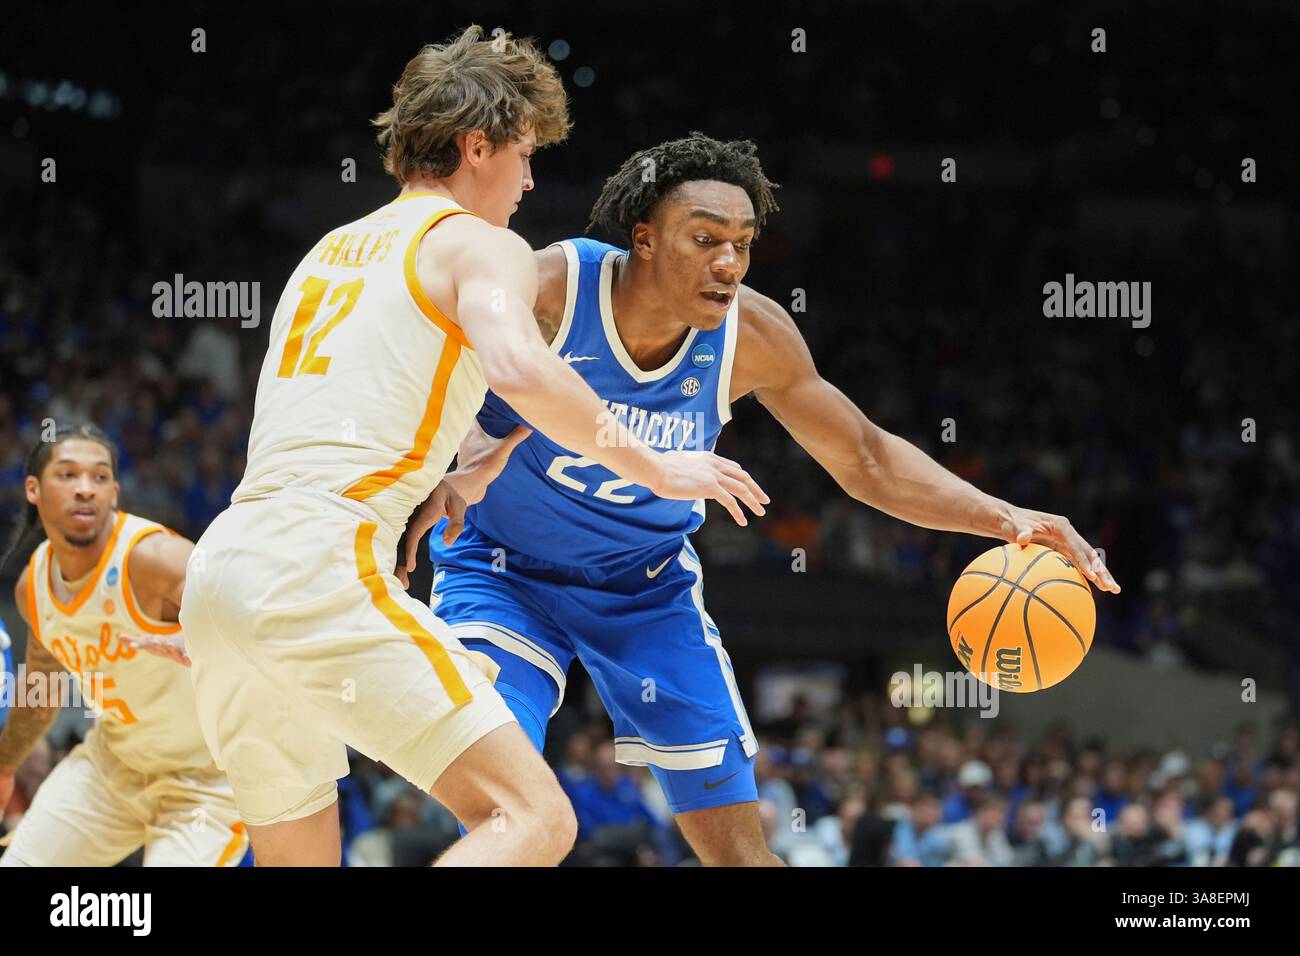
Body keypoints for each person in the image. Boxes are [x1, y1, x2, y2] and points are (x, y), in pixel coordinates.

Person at [418, 132, 1120, 866]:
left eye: (744, 244)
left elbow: (868, 457)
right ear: (645, 238)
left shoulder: (751, 335)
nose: (728, 263)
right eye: (705, 239)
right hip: (502, 571)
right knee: (511, 813)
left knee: (743, 859)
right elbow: (443, 411)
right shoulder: (549, 293)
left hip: (645, 586)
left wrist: (1004, 517)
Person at [179, 28, 765, 867]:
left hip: (227, 567)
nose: (529, 181)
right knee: (533, 821)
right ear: (475, 144)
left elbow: (372, 402)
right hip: (319, 567)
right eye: (523, 155)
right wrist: (656, 463)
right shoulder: (481, 244)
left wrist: (464, 473)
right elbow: (522, 366)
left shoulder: (327, 254)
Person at [0, 425, 247, 866]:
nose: (84, 490)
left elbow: (250, 614)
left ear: (114, 493)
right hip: (111, 767)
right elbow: (42, 691)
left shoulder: (153, 558)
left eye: (99, 478)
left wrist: (208, 638)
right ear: (33, 489)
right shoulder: (32, 588)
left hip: (206, 783)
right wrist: (4, 765)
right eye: (68, 475)